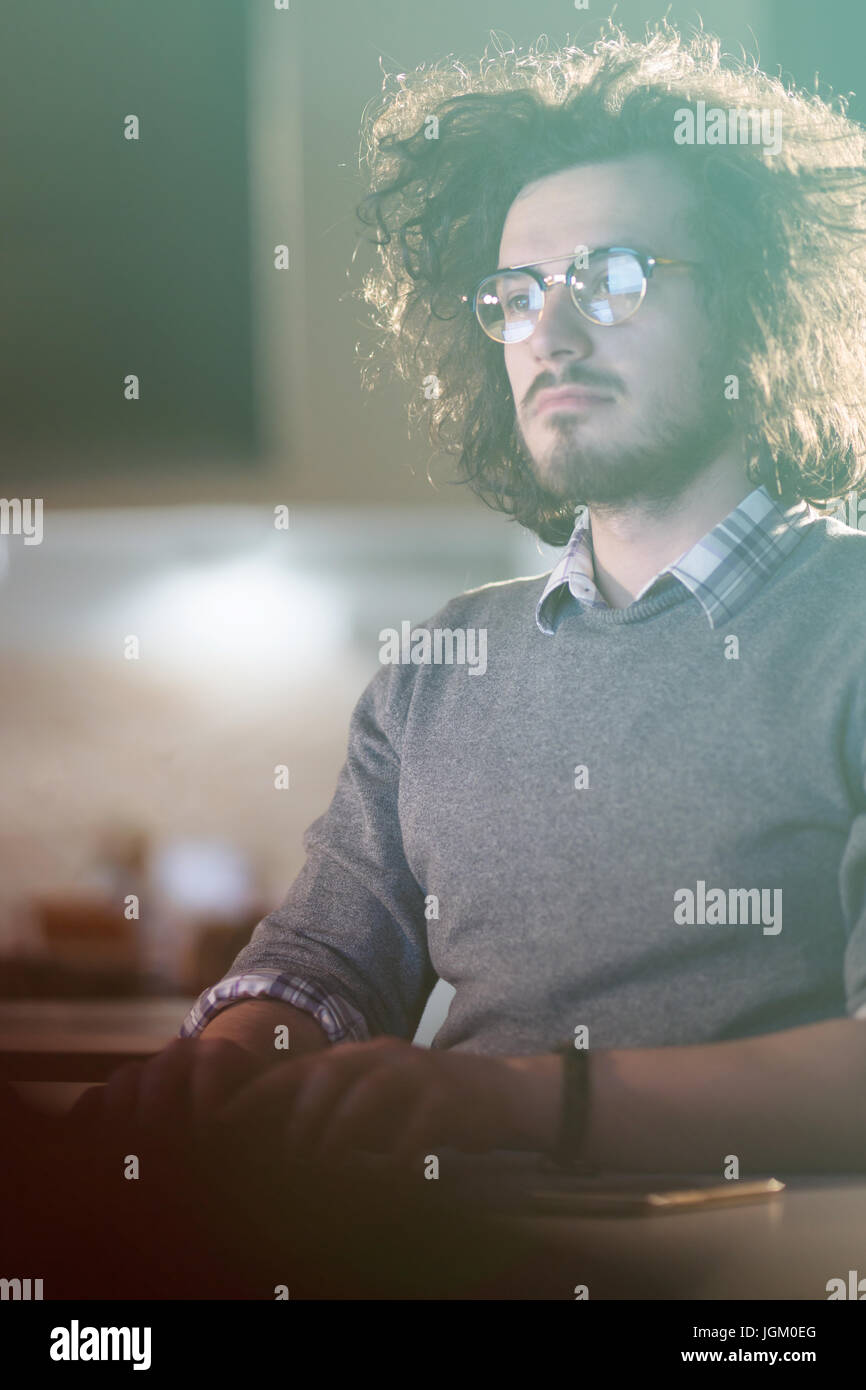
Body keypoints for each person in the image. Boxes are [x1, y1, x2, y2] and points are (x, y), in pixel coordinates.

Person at [83, 25, 866, 1174]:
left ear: (759, 309)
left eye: (611, 278)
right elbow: (325, 965)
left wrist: (510, 1105)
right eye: (513, 294)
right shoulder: (438, 663)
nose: (548, 333)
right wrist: (235, 1054)